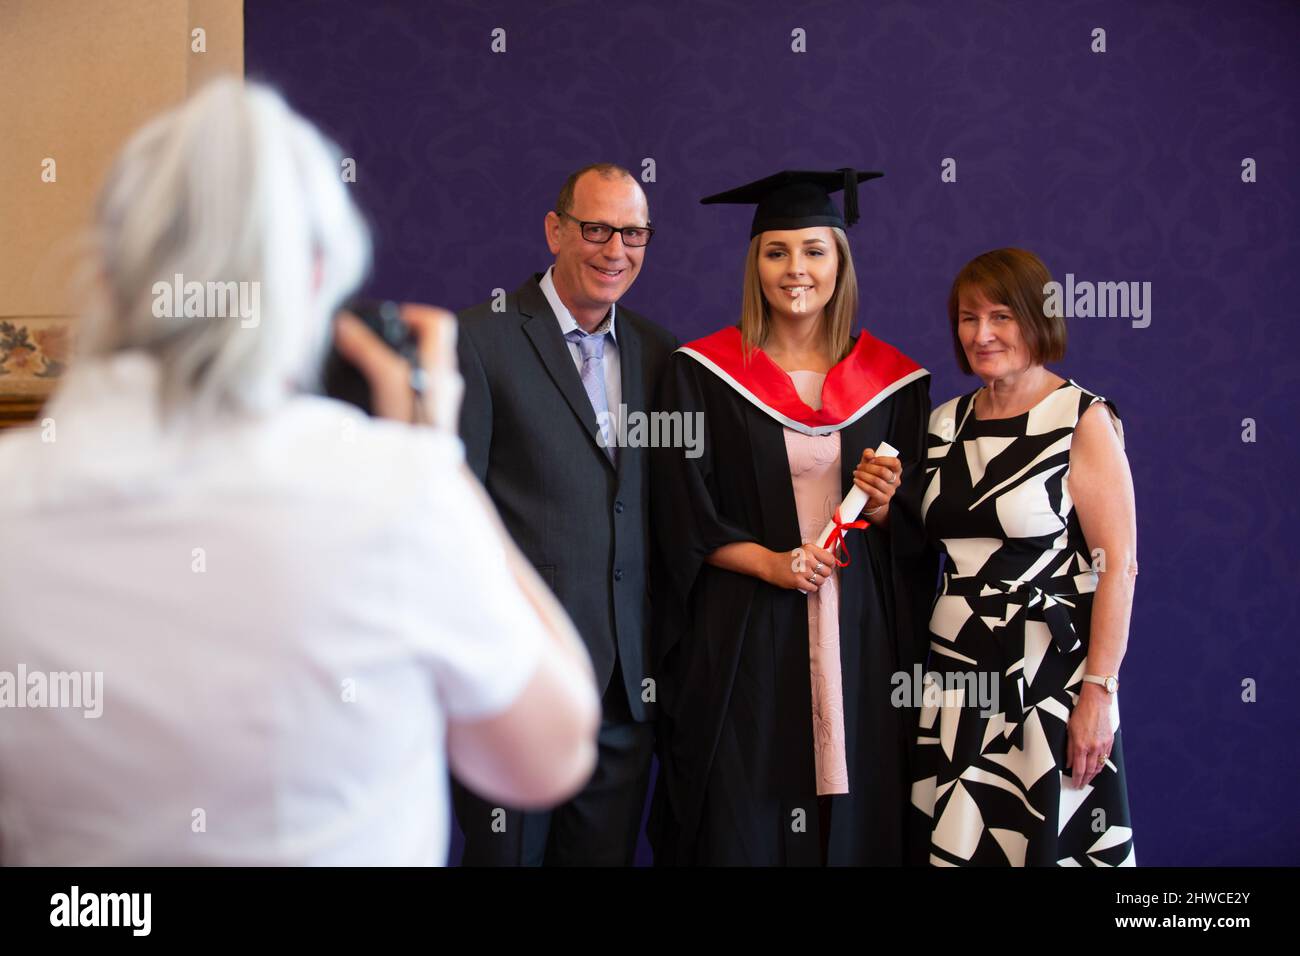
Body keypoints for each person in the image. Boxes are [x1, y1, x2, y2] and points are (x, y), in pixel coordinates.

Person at [0, 78, 600, 866]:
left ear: (112, 271)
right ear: (318, 277)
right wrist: (438, 467)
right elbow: (547, 756)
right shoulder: (397, 492)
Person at [649, 168, 935, 865]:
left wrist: (891, 501)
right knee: (747, 805)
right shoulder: (703, 372)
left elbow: (924, 530)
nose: (795, 269)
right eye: (776, 252)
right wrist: (770, 563)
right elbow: (680, 512)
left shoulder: (897, 382)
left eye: (814, 250)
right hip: (747, 624)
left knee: (860, 808)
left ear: (840, 262)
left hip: (861, 629)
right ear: (755, 265)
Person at [452, 163, 678, 866]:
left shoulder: (660, 354)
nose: (616, 250)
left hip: (622, 692)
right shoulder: (481, 339)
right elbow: (455, 513)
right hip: (515, 680)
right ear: (555, 231)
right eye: (597, 229)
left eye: (634, 233)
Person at [912, 247, 1137, 866]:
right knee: (965, 844)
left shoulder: (1082, 418)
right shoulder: (943, 424)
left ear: (1039, 318)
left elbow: (1116, 564)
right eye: (967, 318)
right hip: (955, 669)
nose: (981, 334)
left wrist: (1100, 691)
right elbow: (919, 536)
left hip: (1046, 676)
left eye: (1001, 316)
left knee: (1041, 846)